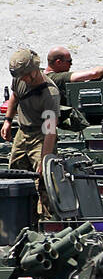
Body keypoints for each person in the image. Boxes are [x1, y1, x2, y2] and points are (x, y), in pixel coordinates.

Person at [3, 48, 59, 214]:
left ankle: (47, 221)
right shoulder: (20, 79)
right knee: (14, 173)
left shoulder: (50, 94)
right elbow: (15, 97)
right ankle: (19, 215)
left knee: (45, 180)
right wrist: (7, 120)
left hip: (41, 136)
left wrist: (45, 158)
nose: (24, 79)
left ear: (35, 69)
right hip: (22, 132)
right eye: (20, 76)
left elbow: (50, 130)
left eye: (26, 75)